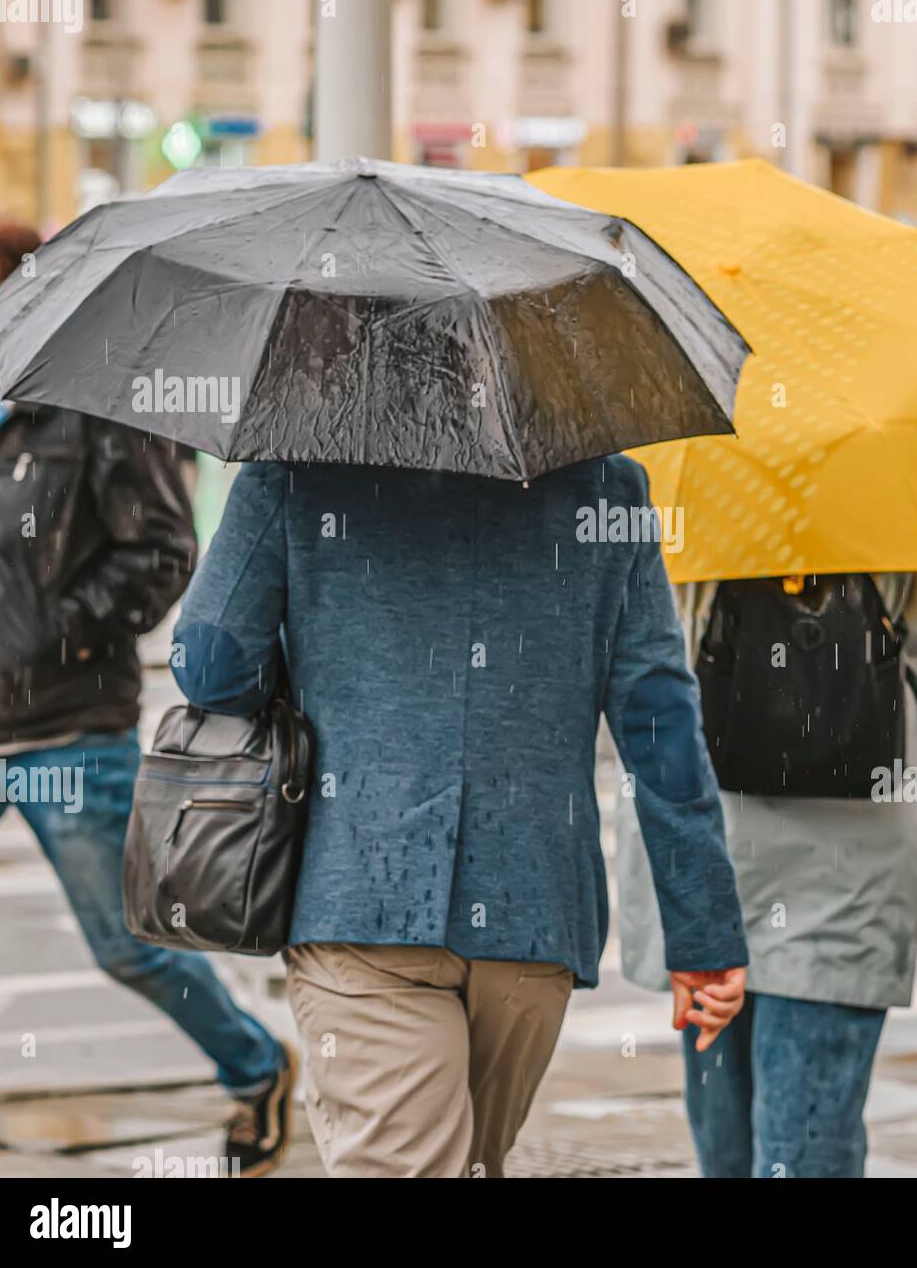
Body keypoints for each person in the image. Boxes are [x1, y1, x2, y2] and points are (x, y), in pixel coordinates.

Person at [170, 456, 749, 1178]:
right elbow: (658, 720)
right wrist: (703, 929)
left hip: (361, 901)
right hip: (529, 916)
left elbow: (213, 669)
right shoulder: (606, 488)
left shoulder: (296, 474)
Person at [0, 217, 296, 1178]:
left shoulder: (97, 405)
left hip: (62, 730)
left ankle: (253, 1067)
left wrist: (51, 635)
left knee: (129, 946)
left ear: (17, 292)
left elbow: (163, 552)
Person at [616, 548, 917, 1177]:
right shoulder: (900, 479)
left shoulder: (679, 479)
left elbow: (635, 675)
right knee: (807, 1147)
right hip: (852, 869)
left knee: (727, 1146)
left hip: (707, 863)